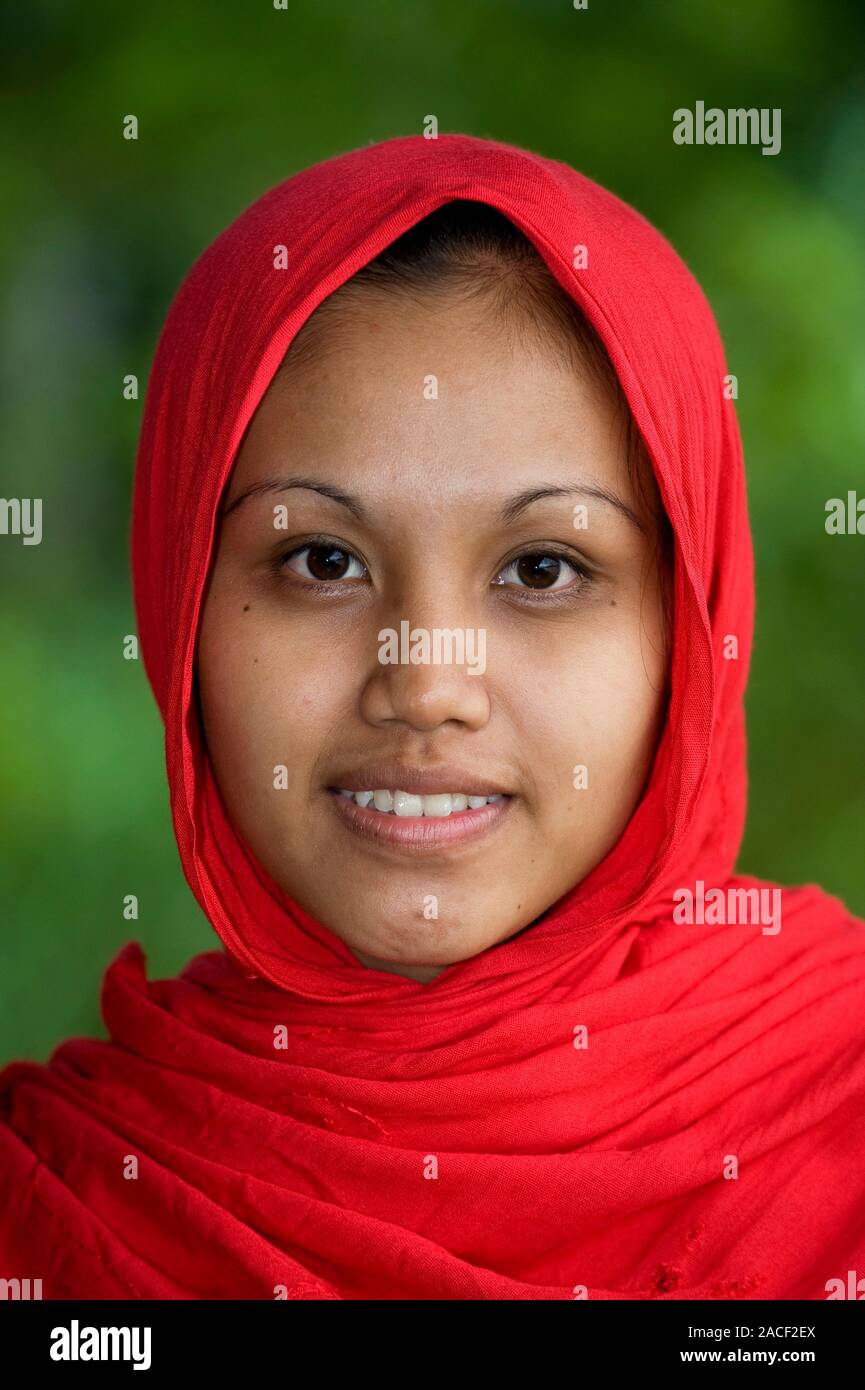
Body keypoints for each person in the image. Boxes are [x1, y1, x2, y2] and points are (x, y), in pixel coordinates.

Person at [1, 133, 863, 1300]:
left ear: (685, 625)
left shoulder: (839, 1117)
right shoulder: (51, 1205)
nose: (425, 683)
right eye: (319, 558)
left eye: (544, 570)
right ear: (179, 599)